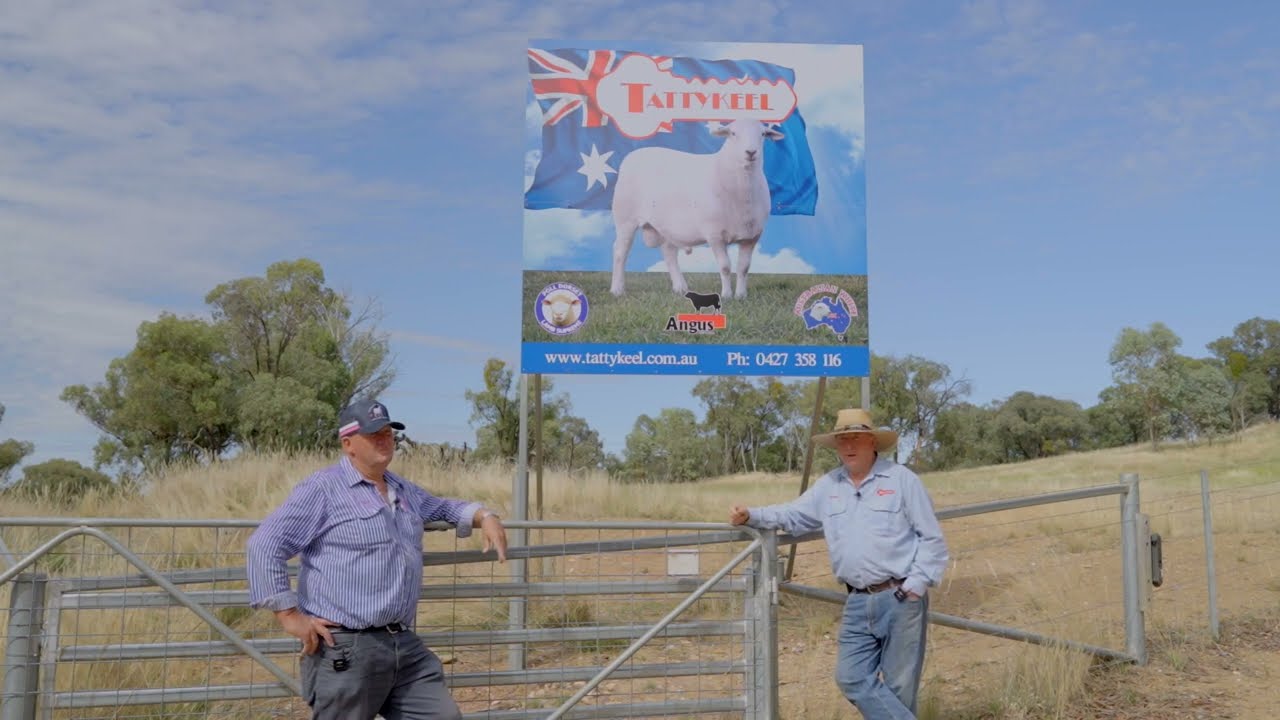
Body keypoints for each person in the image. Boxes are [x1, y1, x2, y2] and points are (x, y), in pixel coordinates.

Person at [247, 398, 508, 720]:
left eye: (388, 432)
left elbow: (442, 508)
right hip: (346, 647)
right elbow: (264, 545)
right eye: (374, 434)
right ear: (348, 444)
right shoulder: (323, 489)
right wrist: (288, 615)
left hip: (403, 643)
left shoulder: (402, 489)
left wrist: (485, 515)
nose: (385, 440)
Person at [729, 408, 948, 720]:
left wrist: (916, 585)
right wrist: (752, 515)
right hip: (857, 600)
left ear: (872, 442)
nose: (848, 446)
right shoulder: (829, 485)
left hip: (900, 597)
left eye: (855, 438)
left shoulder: (902, 481)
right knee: (851, 677)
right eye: (842, 440)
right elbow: (794, 515)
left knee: (899, 688)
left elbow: (932, 538)